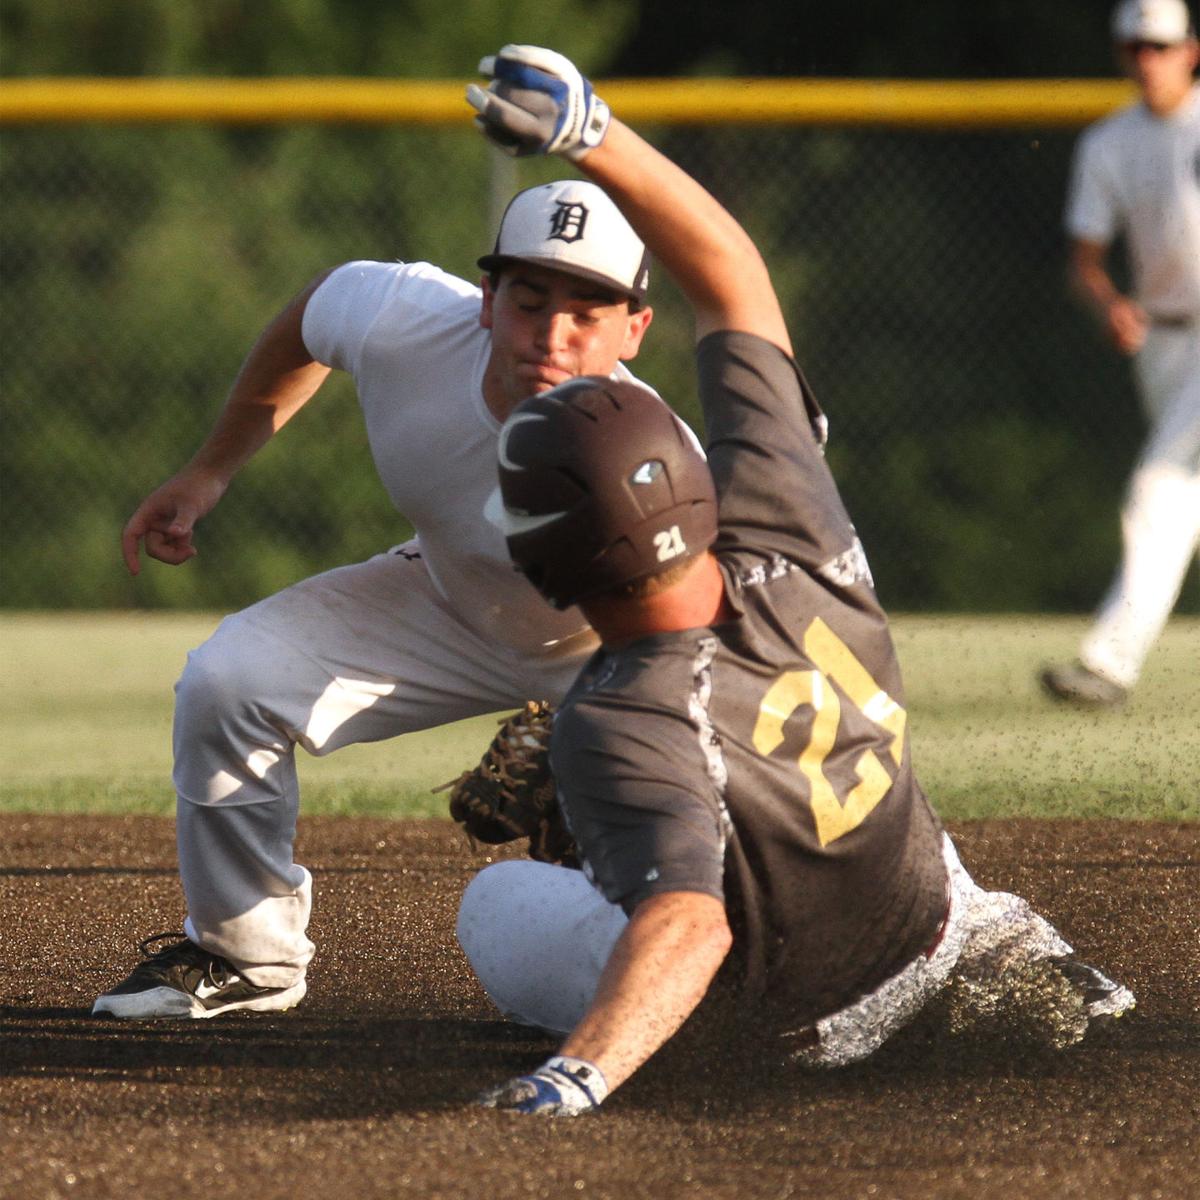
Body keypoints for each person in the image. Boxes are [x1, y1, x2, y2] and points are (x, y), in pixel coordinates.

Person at [454, 44, 1137, 1117]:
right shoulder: (788, 511)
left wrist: (568, 1080)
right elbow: (730, 270)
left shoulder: (618, 717)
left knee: (498, 902)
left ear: (548, 563)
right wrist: (592, 130)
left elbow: (693, 922)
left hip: (805, 1027)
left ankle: (639, 958)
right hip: (925, 918)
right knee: (772, 800)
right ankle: (993, 931)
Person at [92, 170, 663, 1018]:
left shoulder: (659, 460)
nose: (553, 333)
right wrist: (211, 470)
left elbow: (699, 638)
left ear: (635, 329)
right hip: (442, 599)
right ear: (486, 298)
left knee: (672, 857)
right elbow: (311, 317)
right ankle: (248, 956)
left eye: (587, 312)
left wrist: (600, 739)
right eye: (530, 299)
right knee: (229, 681)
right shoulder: (403, 317)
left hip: (608, 656)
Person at [1040, 0, 1200, 706]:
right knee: (1180, 500)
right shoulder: (1109, 143)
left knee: (1159, 490)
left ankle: (1109, 660)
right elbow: (1085, 262)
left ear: (1191, 50)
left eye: (1161, 47)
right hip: (1162, 342)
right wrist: (1111, 306)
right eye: (1137, 47)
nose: (1149, 60)